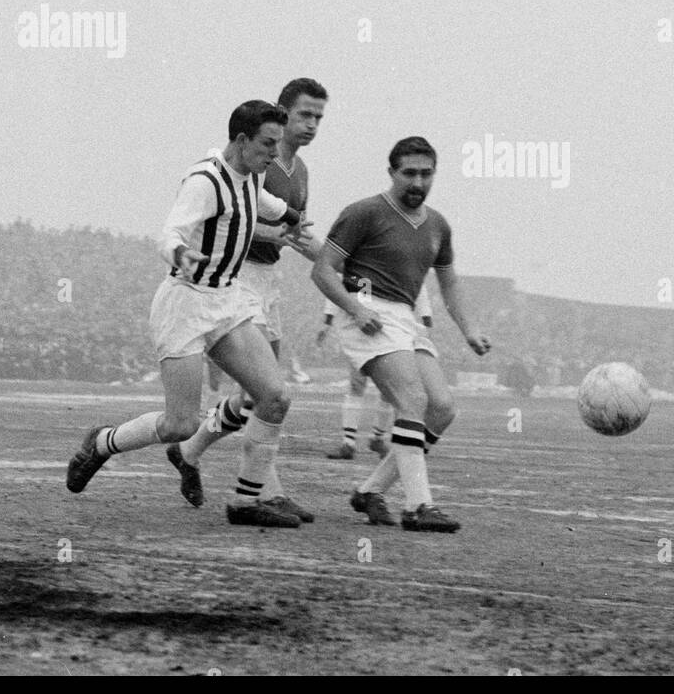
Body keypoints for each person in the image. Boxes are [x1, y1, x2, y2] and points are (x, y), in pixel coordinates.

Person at [65, 100, 312, 527]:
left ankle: (246, 502)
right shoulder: (204, 180)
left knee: (275, 396)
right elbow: (170, 232)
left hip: (226, 302)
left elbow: (265, 201)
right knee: (180, 424)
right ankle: (101, 443)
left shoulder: (251, 175)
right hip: (185, 302)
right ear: (241, 140)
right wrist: (180, 252)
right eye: (268, 144)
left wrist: (292, 218)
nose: (275, 153)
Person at [311, 136, 491, 532]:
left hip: (405, 316)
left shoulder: (439, 225)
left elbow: (449, 284)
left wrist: (470, 329)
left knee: (441, 409)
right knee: (411, 399)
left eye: (426, 174)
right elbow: (322, 270)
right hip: (368, 312)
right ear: (392, 172)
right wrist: (355, 309)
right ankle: (419, 506)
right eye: (409, 173)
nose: (418, 182)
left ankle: (371, 490)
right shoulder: (364, 213)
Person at [166, 79, 327, 518]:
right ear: (283, 113)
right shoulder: (258, 160)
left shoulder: (300, 171)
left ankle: (194, 452)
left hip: (267, 279)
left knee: (263, 392)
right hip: (236, 279)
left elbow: (291, 229)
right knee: (265, 389)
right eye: (305, 115)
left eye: (319, 117)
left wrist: (332, 259)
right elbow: (229, 219)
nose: (312, 125)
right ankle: (259, 493)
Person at [320, 285, 433, 459]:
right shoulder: (360, 264)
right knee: (357, 383)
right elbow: (341, 284)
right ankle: (348, 444)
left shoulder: (402, 262)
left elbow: (418, 284)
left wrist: (427, 321)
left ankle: (378, 439)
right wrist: (328, 321)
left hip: (394, 326)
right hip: (363, 324)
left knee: (389, 389)